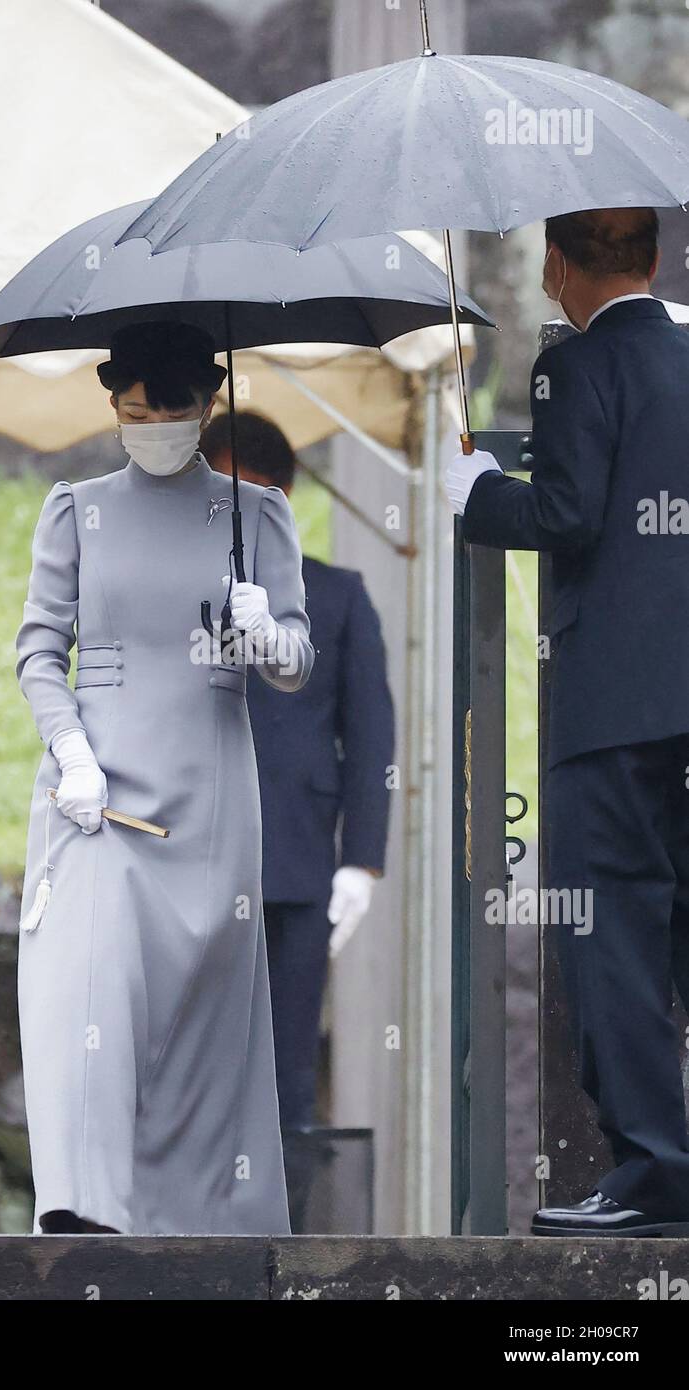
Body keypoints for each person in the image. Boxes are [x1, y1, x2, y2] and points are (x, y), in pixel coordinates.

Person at [15, 321, 314, 1236]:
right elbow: (38, 652)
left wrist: (264, 632)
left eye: (169, 409)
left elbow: (296, 663)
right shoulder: (77, 507)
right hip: (95, 791)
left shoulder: (256, 517)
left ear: (206, 406)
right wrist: (69, 751)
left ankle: (196, 1231)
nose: (149, 424)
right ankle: (82, 1206)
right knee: (85, 982)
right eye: (132, 410)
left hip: (209, 793)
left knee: (201, 1021)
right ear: (112, 406)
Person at [445, 207, 689, 1237]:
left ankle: (652, 1173)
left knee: (615, 941)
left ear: (553, 265)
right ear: (652, 255)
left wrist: (480, 492)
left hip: (613, 709)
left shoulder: (577, 368)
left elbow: (564, 513)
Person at [201, 411, 394, 1133]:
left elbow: (373, 735)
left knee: (286, 1066)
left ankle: (286, 1233)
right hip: (190, 852)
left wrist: (362, 863)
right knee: (192, 1057)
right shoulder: (170, 594)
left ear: (281, 498)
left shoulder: (337, 596)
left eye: (249, 495)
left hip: (299, 857)